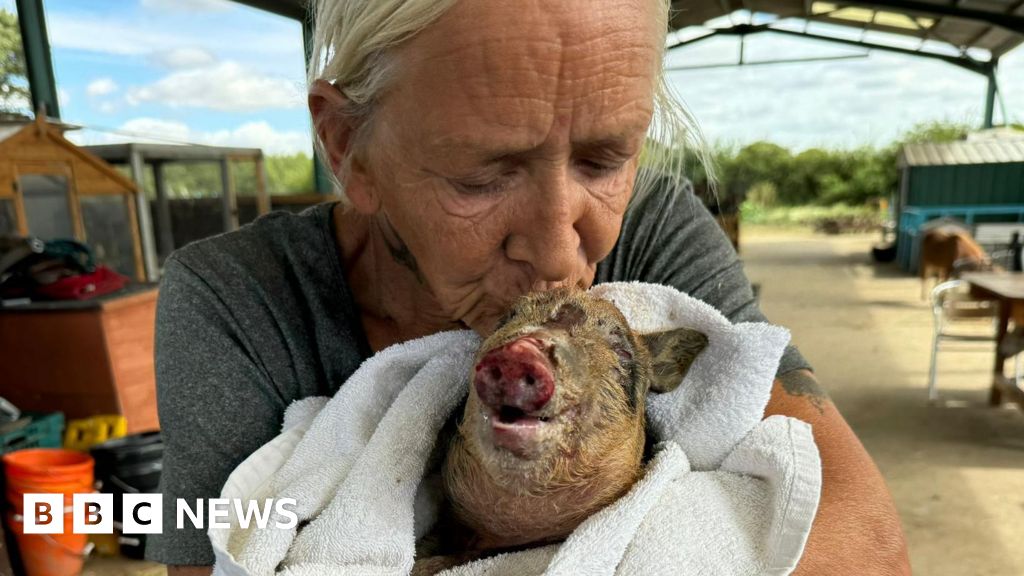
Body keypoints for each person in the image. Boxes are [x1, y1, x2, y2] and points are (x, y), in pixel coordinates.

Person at [146, 0, 910, 574]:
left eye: (605, 161)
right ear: (349, 149)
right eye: (483, 177)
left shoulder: (655, 230)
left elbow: (863, 543)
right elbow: (214, 551)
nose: (557, 249)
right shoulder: (235, 298)